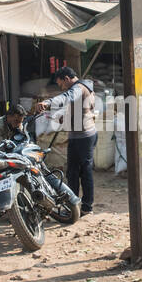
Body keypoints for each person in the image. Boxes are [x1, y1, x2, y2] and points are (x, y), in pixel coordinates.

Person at [36, 67, 97, 215]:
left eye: (61, 84)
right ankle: (73, 205)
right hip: (79, 135)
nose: (61, 88)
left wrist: (48, 102)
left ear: (67, 79)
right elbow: (78, 107)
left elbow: (67, 97)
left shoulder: (78, 88)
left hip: (84, 136)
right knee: (72, 172)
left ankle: (86, 206)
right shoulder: (85, 86)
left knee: (85, 171)